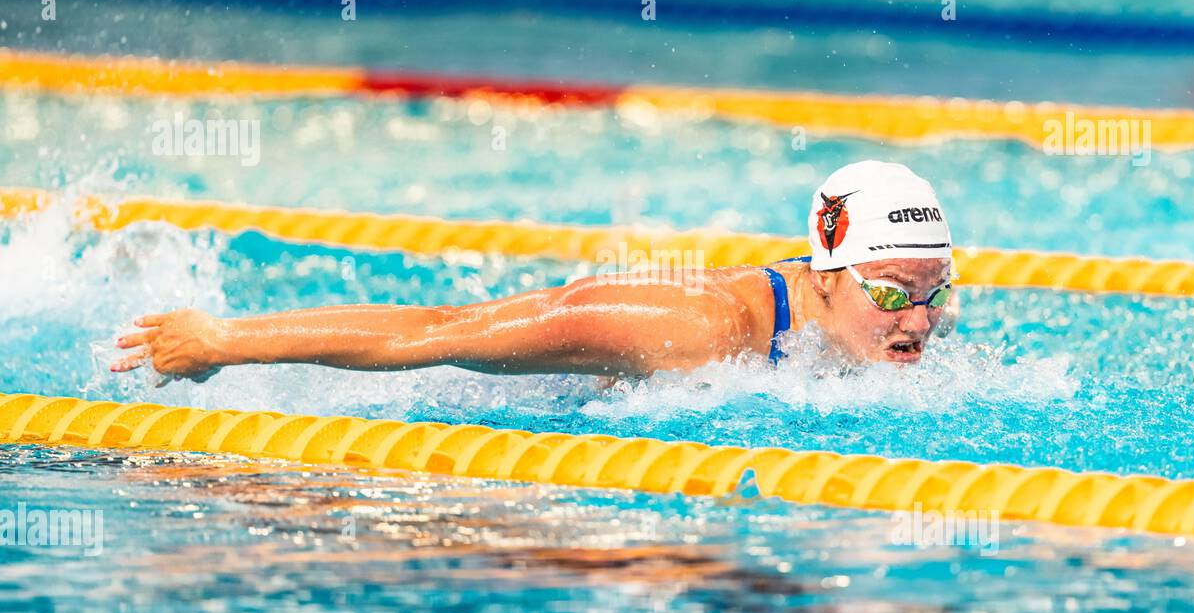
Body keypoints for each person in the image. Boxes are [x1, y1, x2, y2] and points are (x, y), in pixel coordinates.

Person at [111, 160, 958, 384]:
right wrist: (222, 339)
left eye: (932, 294)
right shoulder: (690, 328)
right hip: (454, 403)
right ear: (822, 277)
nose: (916, 321)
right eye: (889, 294)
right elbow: (444, 330)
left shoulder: (902, 321)